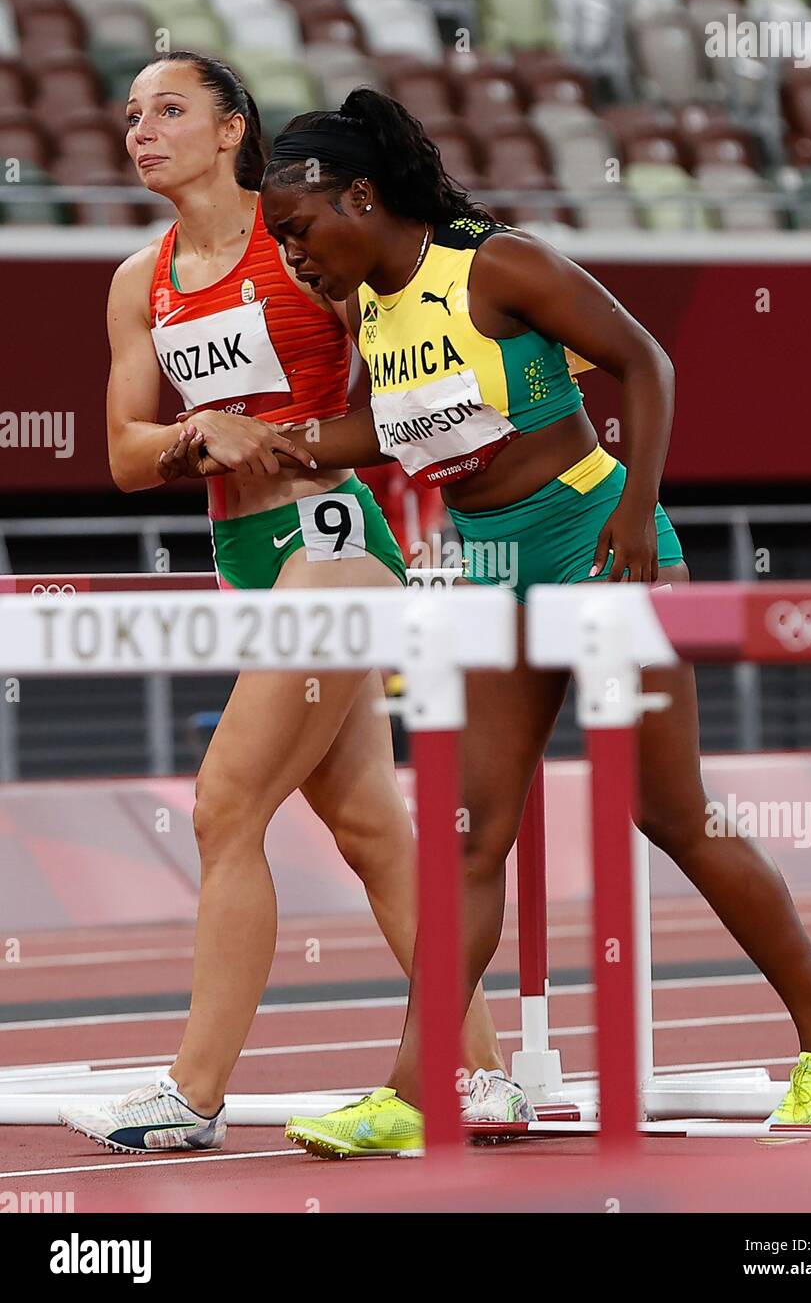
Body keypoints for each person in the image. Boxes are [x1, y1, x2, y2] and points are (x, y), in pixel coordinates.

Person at [174, 89, 811, 1157]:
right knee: (471, 837)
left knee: (671, 812)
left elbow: (647, 361)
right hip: (492, 570)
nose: (296, 255)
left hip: (598, 546)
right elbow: (394, 424)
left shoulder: (499, 265)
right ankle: (422, 1091)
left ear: (360, 196)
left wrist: (640, 510)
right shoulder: (376, 301)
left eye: (301, 230)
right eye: (279, 240)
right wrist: (293, 443)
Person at [59, 58, 504, 1157]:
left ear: (231, 132)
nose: (141, 131)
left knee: (224, 806)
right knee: (370, 833)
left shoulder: (300, 238)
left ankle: (191, 1093)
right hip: (242, 551)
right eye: (129, 115)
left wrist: (298, 436)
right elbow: (123, 455)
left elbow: (415, 356)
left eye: (169, 110)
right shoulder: (139, 279)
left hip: (332, 542)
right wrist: (194, 431)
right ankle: (485, 1076)